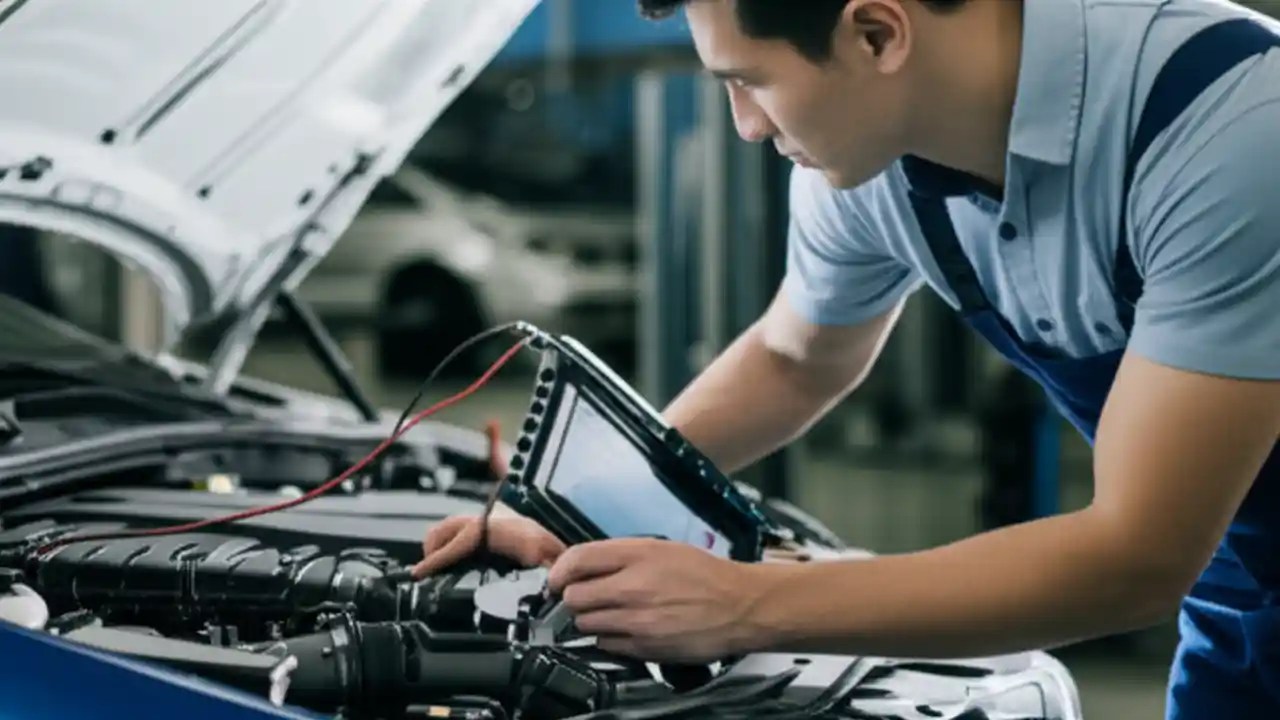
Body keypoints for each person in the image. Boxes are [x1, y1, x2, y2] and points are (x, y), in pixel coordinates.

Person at [412, 1, 1280, 717]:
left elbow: (1137, 558)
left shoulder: (1230, 131)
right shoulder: (874, 160)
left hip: (1188, 561)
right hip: (1238, 604)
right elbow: (795, 358)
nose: (745, 127)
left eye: (748, 82)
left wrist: (742, 606)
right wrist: (584, 510)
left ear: (876, 33)